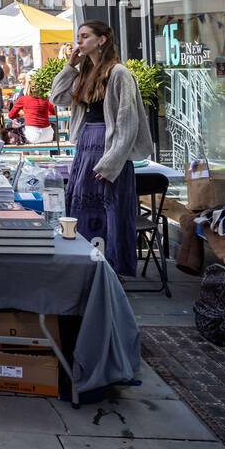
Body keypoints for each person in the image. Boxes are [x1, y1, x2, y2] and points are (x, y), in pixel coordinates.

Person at [50, 20, 153, 276]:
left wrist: (111, 163)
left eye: (85, 36)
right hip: (87, 146)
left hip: (108, 151)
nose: (80, 42)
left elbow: (127, 121)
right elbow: (57, 97)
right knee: (83, 209)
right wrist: (70, 65)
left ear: (102, 39)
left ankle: (112, 271)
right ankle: (86, 266)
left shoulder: (118, 73)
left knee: (110, 211)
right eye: (79, 37)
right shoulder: (85, 73)